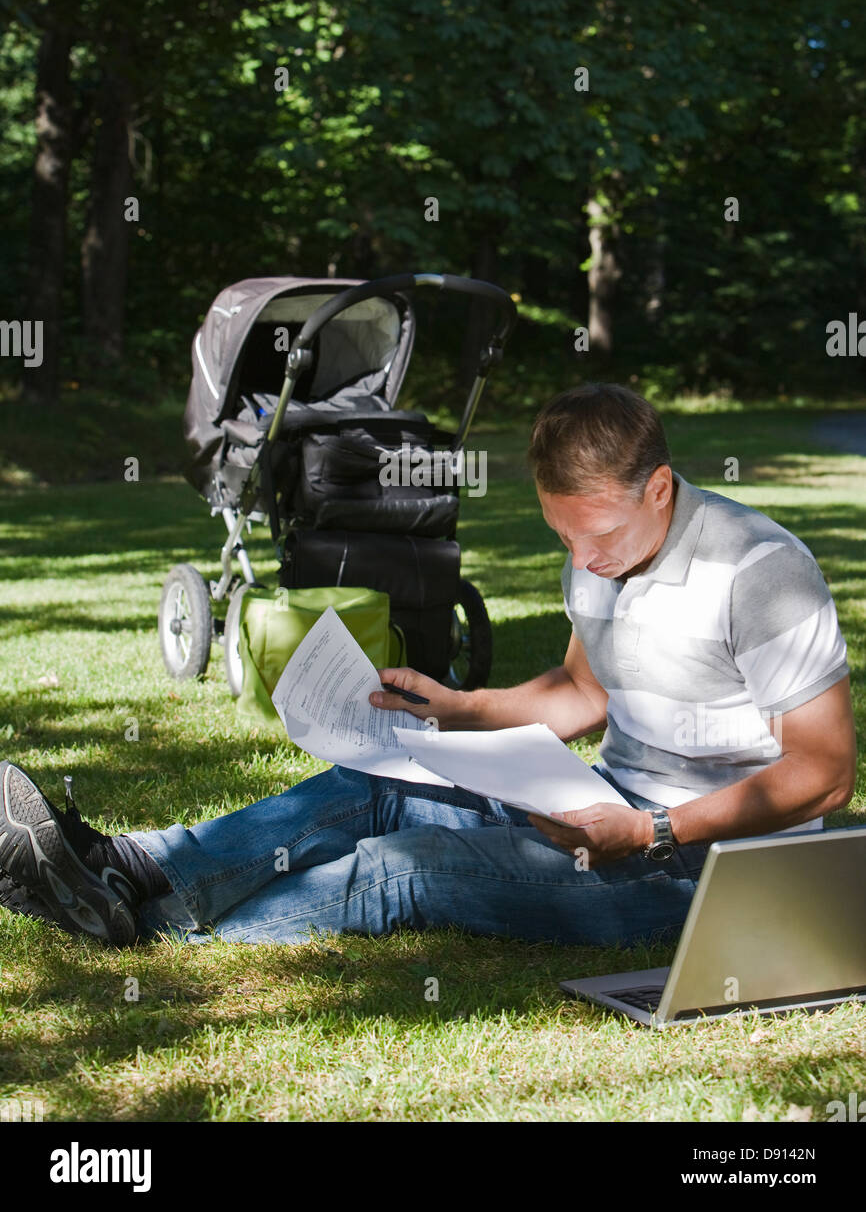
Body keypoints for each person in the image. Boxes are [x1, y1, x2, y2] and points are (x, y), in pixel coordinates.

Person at [0, 384, 856, 949]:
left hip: (713, 866)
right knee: (373, 783)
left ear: (661, 489)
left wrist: (653, 833)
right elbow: (584, 693)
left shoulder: (760, 573)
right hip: (610, 807)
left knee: (405, 868)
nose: (582, 558)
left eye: (598, 536)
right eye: (563, 536)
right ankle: (128, 865)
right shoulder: (596, 555)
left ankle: (148, 925)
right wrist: (456, 710)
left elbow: (825, 777)